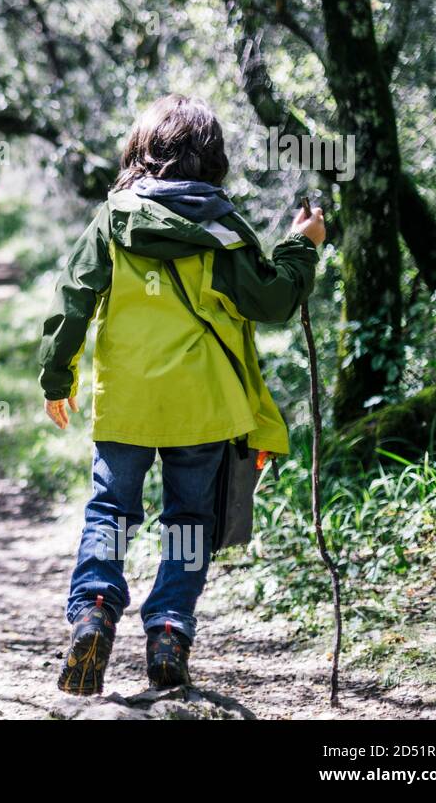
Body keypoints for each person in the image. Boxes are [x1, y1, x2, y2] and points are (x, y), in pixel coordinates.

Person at [37, 94, 325, 695]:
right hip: (205, 407)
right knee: (190, 520)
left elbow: (73, 302)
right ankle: (169, 630)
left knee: (111, 512)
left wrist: (56, 379)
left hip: (128, 404)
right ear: (212, 157)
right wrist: (302, 245)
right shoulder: (222, 227)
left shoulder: (112, 219)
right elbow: (272, 301)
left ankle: (93, 610)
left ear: (141, 152)